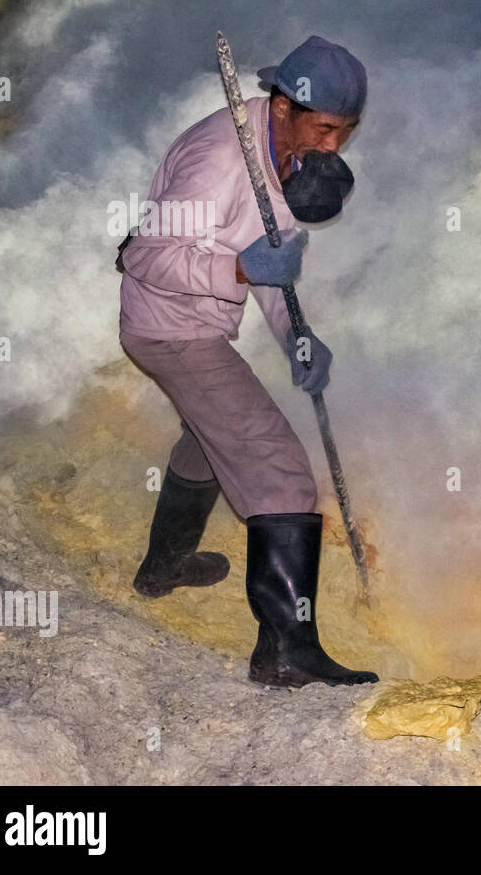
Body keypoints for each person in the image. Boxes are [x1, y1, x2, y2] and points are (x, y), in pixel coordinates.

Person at [116, 35, 377, 688]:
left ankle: (163, 568)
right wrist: (234, 265)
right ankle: (286, 653)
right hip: (169, 327)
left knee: (209, 443)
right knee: (281, 473)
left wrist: (296, 335)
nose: (332, 148)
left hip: (194, 323)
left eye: (345, 133)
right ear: (284, 104)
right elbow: (142, 254)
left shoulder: (288, 156)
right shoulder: (217, 159)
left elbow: (275, 272)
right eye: (324, 129)